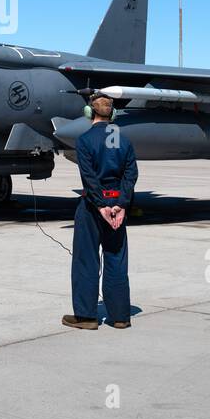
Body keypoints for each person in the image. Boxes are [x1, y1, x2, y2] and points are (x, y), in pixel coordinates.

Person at [63, 92, 137, 331]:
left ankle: (86, 316)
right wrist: (121, 204)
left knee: (87, 260)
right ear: (112, 114)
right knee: (116, 259)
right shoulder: (124, 141)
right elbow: (130, 175)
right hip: (117, 206)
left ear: (89, 112)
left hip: (92, 208)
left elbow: (89, 177)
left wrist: (101, 205)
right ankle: (120, 316)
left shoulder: (84, 140)